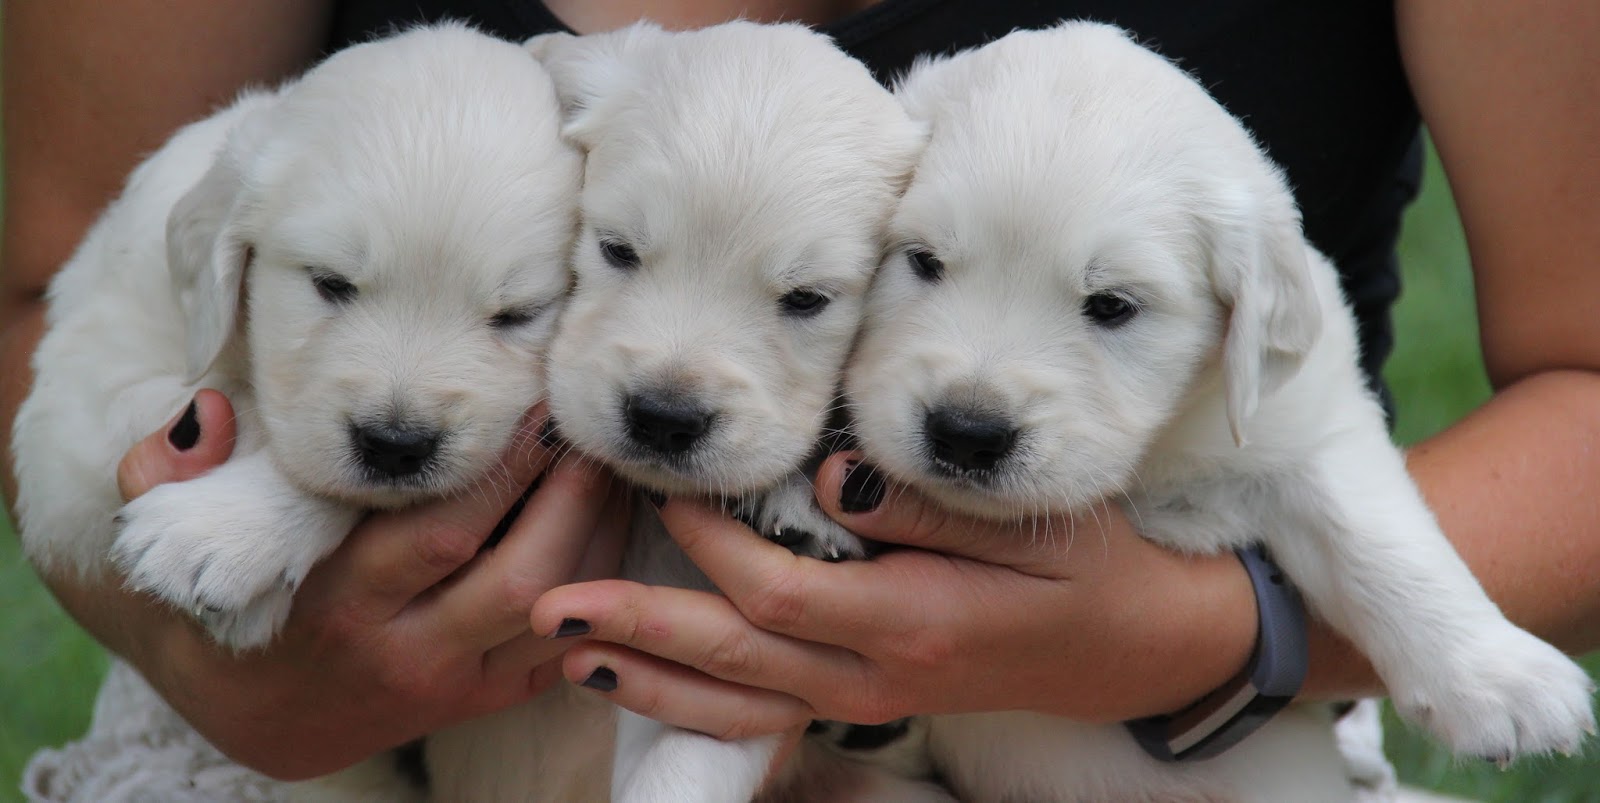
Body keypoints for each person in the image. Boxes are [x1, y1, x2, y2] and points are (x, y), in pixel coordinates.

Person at [3, 0, 1597, 792]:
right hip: (324, 739)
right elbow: (54, 279)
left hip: (1179, 738)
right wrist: (210, 649)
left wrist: (1205, 633)